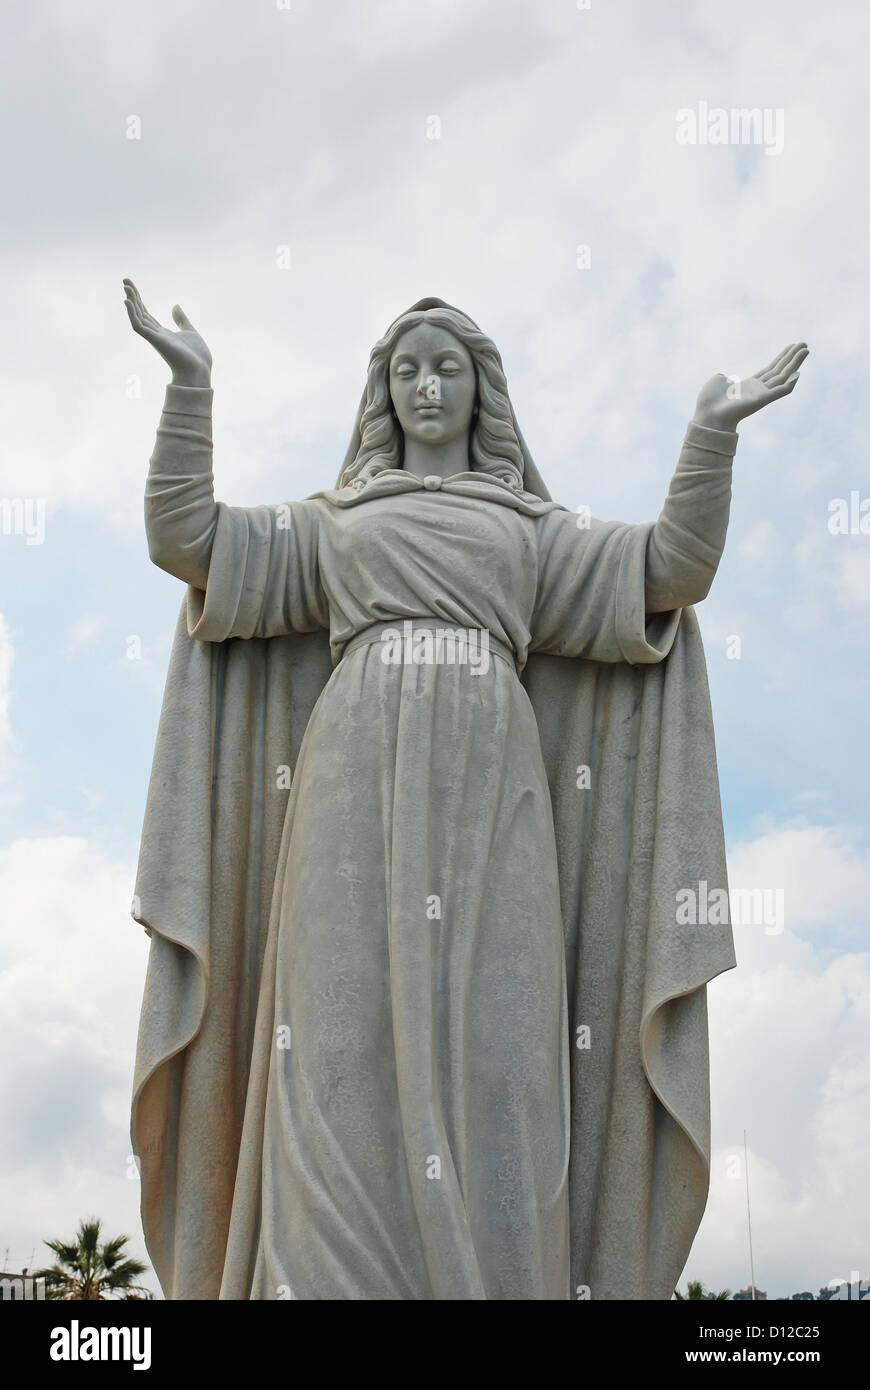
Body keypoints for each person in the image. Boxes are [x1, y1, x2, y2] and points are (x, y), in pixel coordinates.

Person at [125, 281, 806, 1300]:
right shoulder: (334, 524)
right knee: (331, 1045)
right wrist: (192, 389)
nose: (425, 385)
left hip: (496, 789)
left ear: (482, 388)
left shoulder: (529, 531)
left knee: (503, 1053)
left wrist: (710, 437)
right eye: (406, 369)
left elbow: (670, 570)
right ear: (382, 391)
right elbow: (194, 546)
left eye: (445, 366)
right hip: (348, 783)